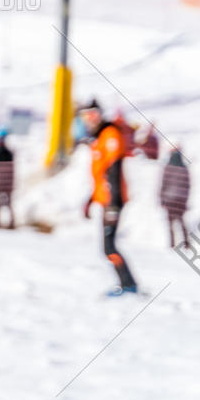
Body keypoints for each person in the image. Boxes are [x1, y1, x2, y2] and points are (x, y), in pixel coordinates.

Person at [83, 102, 138, 295]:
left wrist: (113, 202)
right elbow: (100, 175)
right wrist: (91, 199)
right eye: (85, 117)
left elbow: (113, 170)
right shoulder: (99, 137)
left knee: (109, 246)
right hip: (106, 198)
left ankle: (128, 285)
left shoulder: (110, 134)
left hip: (112, 200)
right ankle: (126, 284)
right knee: (108, 246)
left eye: (91, 116)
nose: (88, 121)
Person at [160, 145, 191, 249]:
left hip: (169, 199)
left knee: (170, 222)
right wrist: (185, 199)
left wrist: (161, 199)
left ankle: (172, 243)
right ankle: (186, 243)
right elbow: (187, 186)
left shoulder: (168, 168)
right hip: (181, 200)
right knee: (181, 221)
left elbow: (163, 184)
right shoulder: (184, 168)